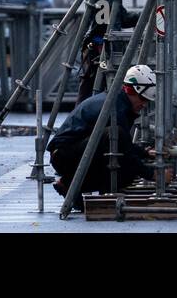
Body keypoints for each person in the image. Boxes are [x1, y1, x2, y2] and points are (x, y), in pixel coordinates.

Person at [48, 65, 157, 199]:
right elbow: (125, 149)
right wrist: (152, 174)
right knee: (117, 139)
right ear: (129, 90)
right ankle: (72, 185)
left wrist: (144, 152)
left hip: (73, 150)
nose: (145, 104)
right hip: (63, 155)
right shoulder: (115, 109)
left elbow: (125, 145)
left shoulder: (119, 101)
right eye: (143, 99)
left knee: (126, 172)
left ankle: (70, 185)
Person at [76, 0, 134, 103]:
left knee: (91, 92)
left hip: (99, 46)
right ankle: (87, 127)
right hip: (99, 47)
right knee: (93, 93)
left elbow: (121, 19)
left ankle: (92, 126)